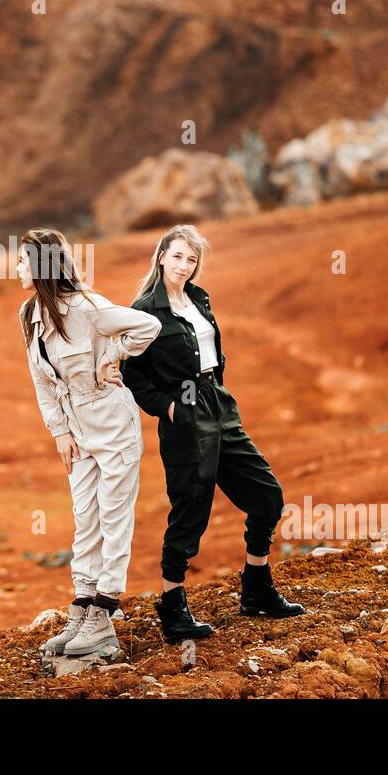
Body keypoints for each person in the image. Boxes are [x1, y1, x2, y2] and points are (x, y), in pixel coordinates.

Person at [122, 224, 307, 644]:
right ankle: (172, 607)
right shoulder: (144, 310)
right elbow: (133, 374)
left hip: (218, 404)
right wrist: (169, 407)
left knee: (267, 496)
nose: (184, 266)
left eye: (192, 259)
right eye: (178, 256)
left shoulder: (199, 298)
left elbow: (212, 354)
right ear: (161, 256)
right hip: (184, 415)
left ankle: (256, 588)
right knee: (191, 509)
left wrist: (216, 393)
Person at [16, 228, 162, 657]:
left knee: (114, 516)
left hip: (113, 421)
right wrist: (59, 431)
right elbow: (40, 382)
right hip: (77, 428)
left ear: (42, 265)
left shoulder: (90, 308)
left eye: (24, 261)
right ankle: (82, 605)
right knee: (86, 515)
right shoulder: (30, 314)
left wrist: (111, 356)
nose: (17, 269)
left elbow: (147, 325)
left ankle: (105, 613)